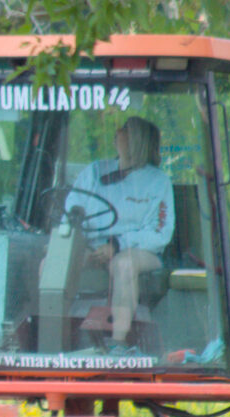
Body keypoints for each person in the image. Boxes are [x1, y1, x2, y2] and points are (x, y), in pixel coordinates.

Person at [69, 116, 174, 351]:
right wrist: (83, 245)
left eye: (125, 129)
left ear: (137, 139)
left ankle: (117, 344)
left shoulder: (158, 182)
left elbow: (159, 233)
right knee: (53, 264)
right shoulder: (94, 171)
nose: (117, 131)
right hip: (92, 246)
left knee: (123, 265)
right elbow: (72, 209)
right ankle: (49, 340)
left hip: (138, 251)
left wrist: (116, 245)